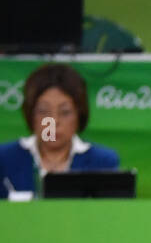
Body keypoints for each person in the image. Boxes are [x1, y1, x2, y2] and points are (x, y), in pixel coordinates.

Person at [1, 63, 120, 200]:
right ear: (30, 114)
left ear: (79, 114)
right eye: (44, 111)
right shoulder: (4, 159)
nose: (53, 121)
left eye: (65, 112)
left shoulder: (103, 162)